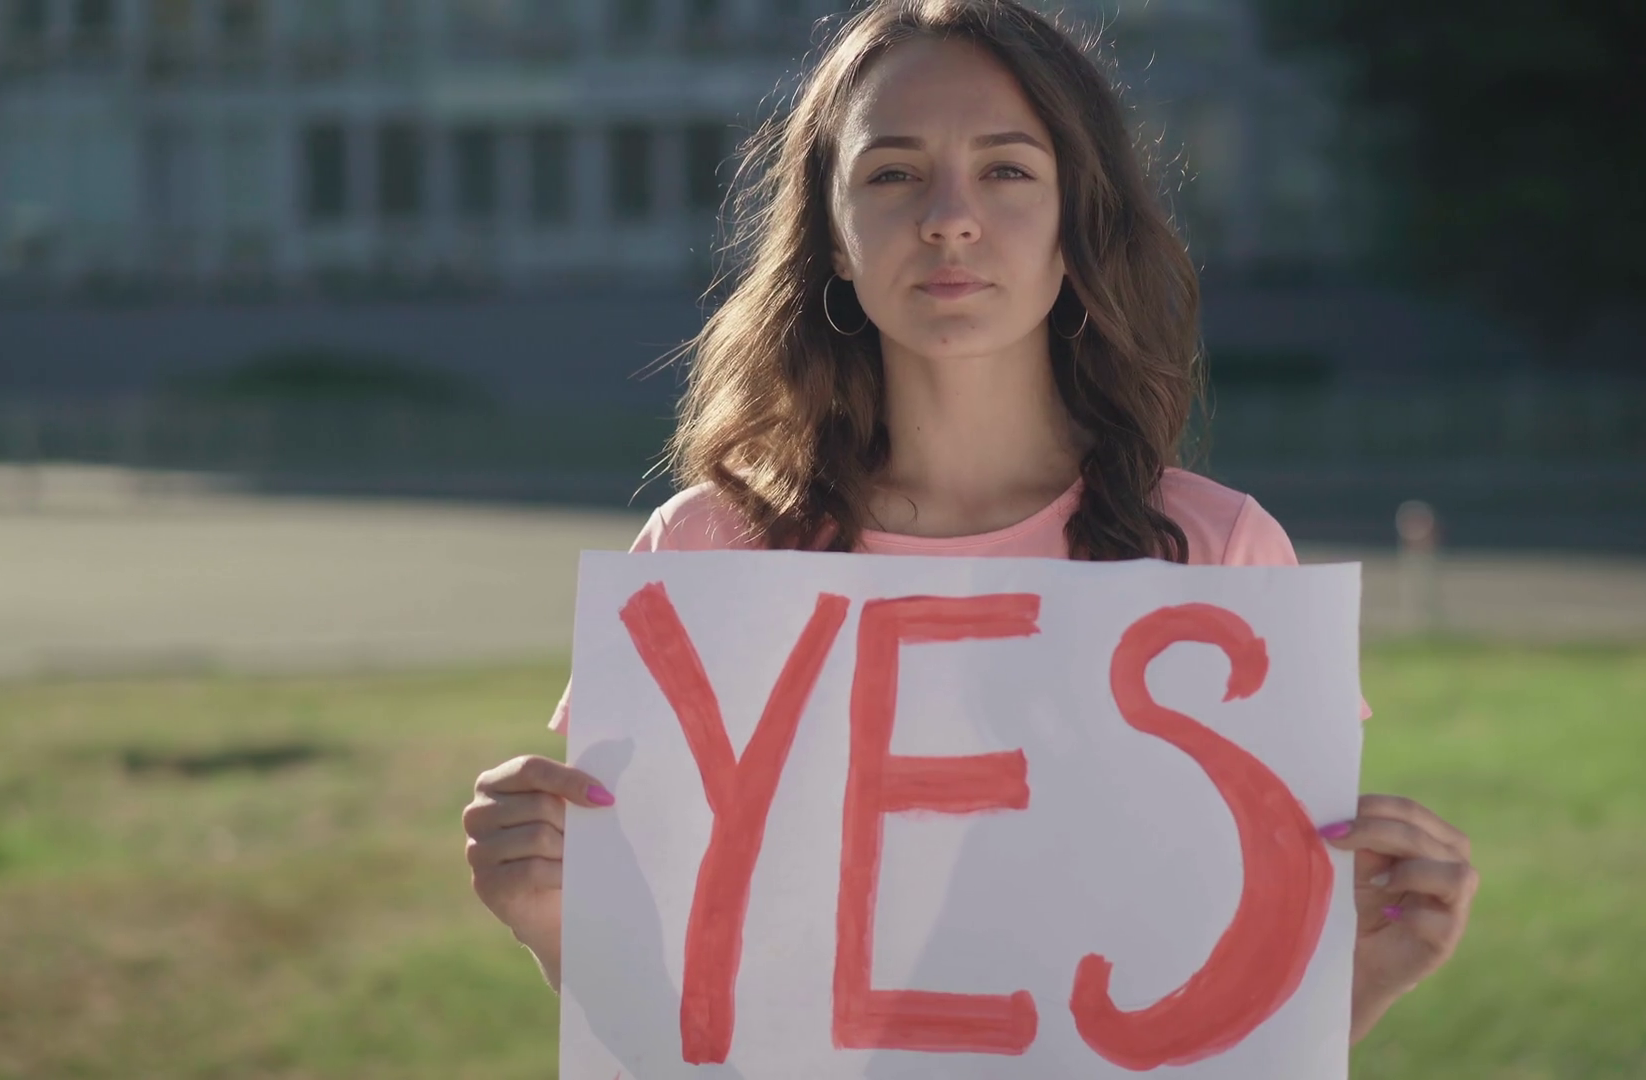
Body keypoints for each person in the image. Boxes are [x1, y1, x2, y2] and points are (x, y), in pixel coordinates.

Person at [463, 0, 1478, 1049]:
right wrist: (559, 931)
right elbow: (678, 1024)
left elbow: (1218, 1044)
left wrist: (1353, 987)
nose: (950, 216)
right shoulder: (705, 555)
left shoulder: (1217, 557)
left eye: (1005, 170)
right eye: (893, 173)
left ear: (1076, 226)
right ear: (837, 240)